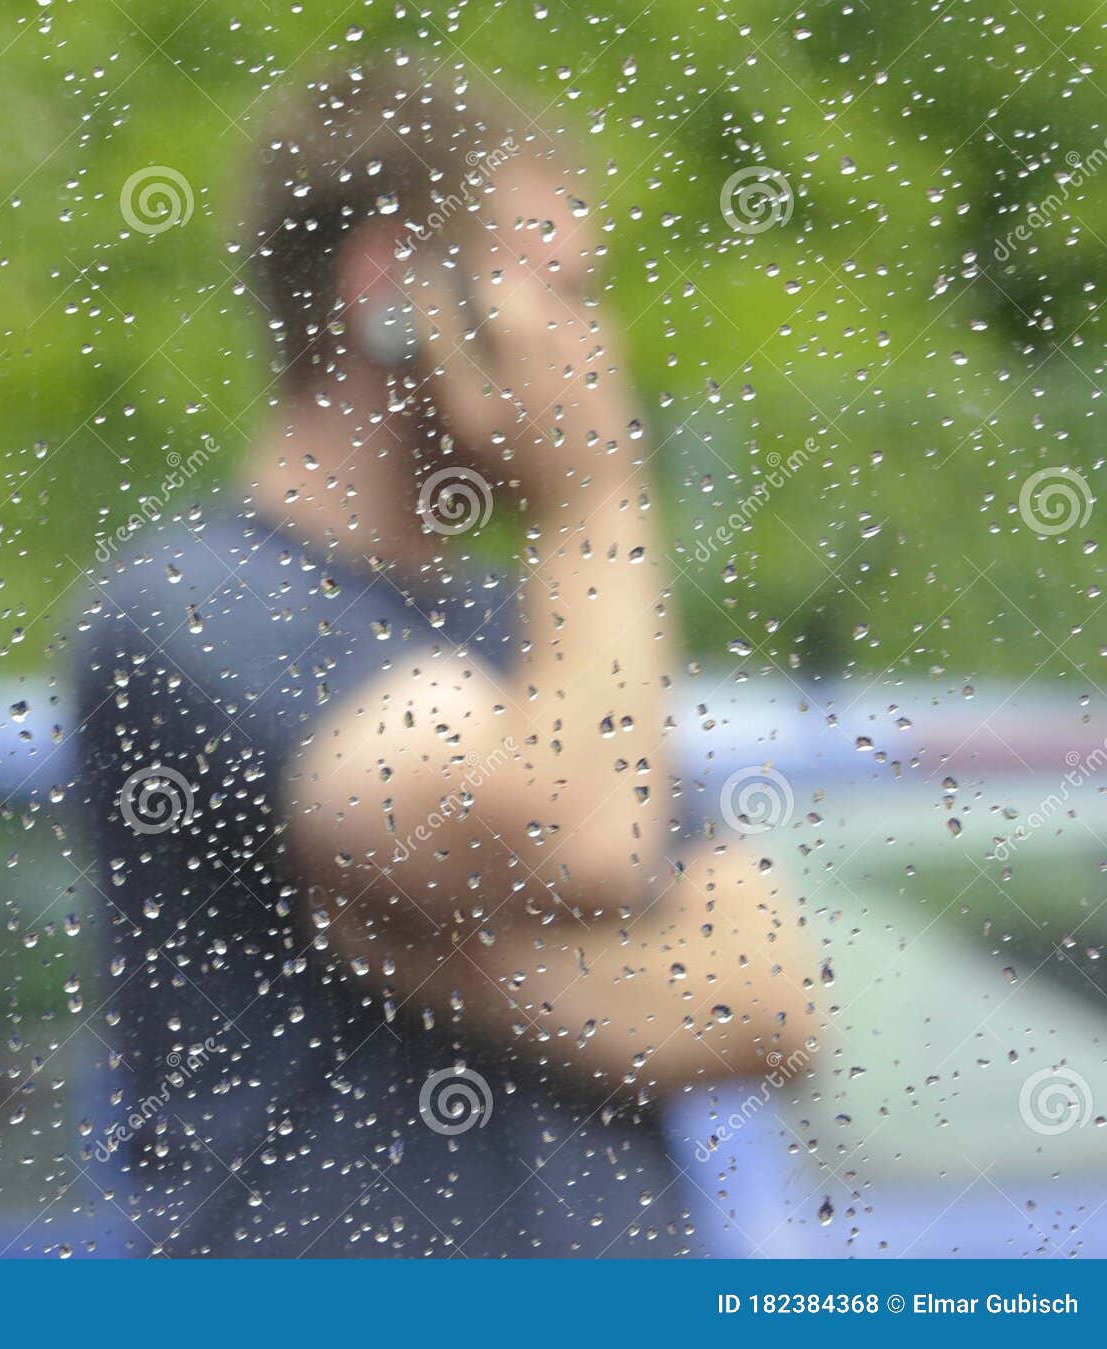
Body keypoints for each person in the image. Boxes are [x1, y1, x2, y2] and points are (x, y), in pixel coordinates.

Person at [73, 63, 815, 1257]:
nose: (596, 350)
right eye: (559, 290)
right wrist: (594, 498)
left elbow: (765, 992)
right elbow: (573, 833)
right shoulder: (196, 606)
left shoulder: (538, 639)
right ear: (391, 291)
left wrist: (466, 967)